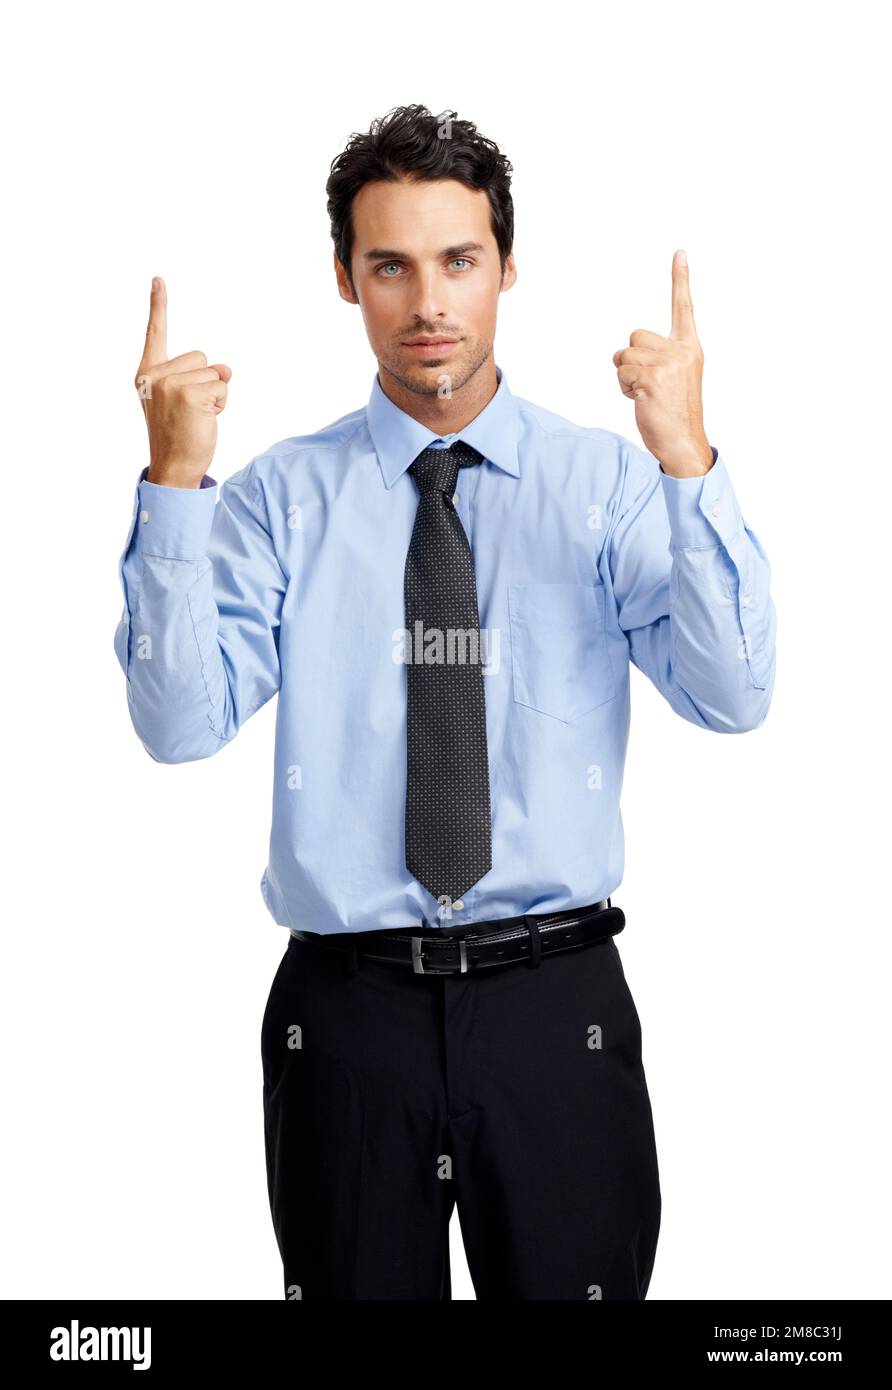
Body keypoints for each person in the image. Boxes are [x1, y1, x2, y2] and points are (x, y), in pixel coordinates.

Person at [114, 104, 777, 1301]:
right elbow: (177, 726)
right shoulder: (277, 500)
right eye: (391, 266)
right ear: (344, 278)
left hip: (554, 1006)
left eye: (459, 261)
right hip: (346, 1017)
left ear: (506, 268)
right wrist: (174, 485)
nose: (429, 302)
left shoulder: (608, 482)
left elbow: (732, 698)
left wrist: (687, 460)